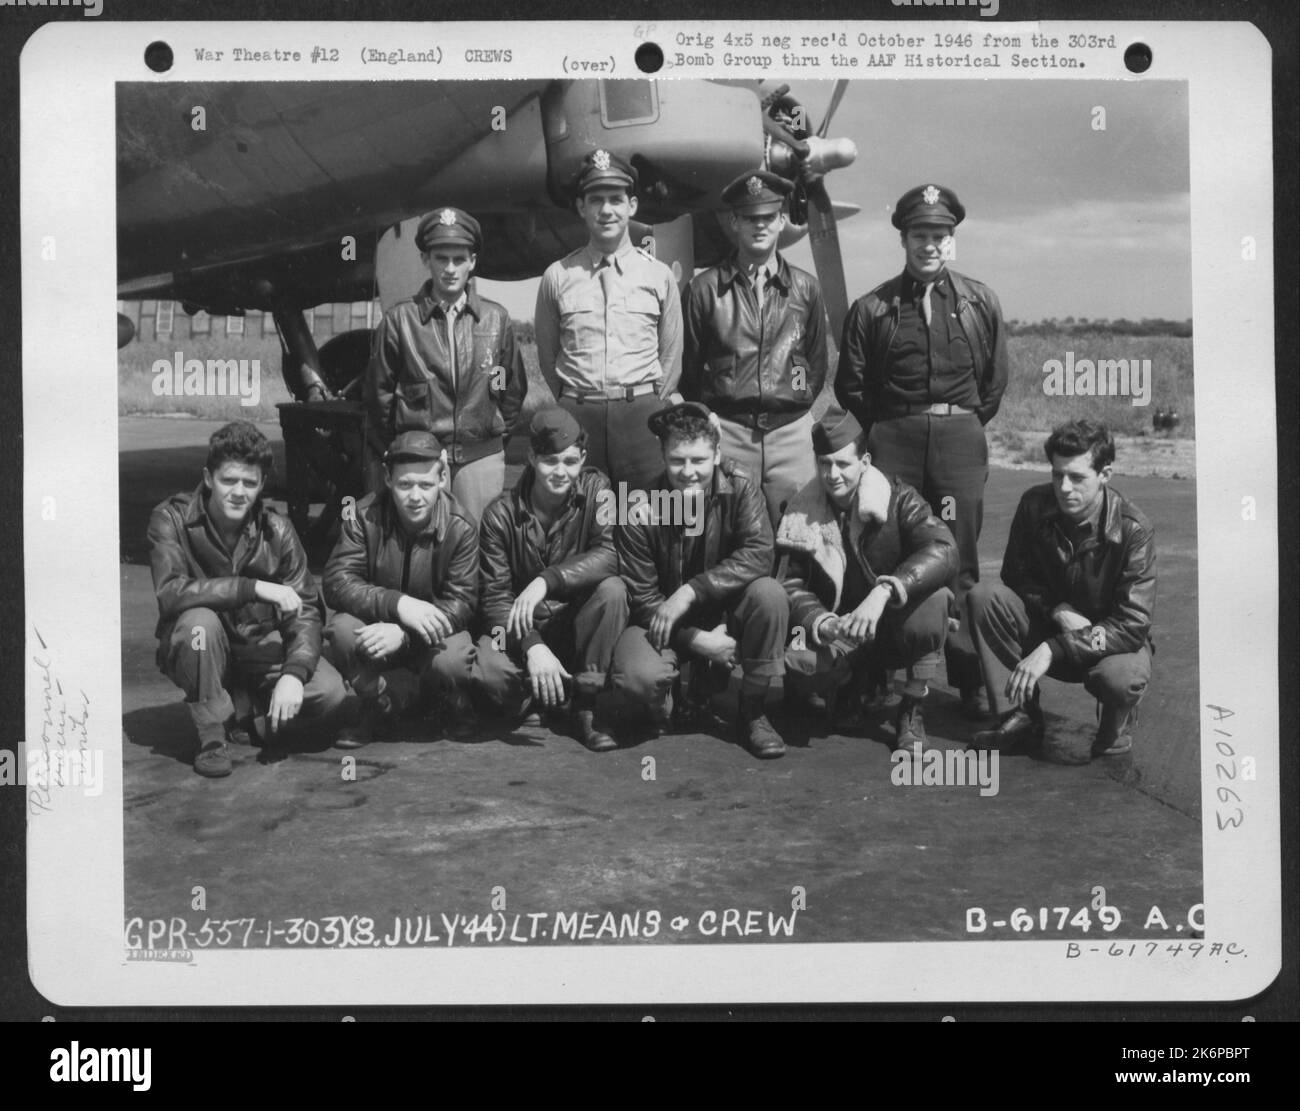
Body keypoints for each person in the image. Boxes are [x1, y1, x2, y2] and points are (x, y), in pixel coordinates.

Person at [834, 184, 1008, 713]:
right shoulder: (872, 307)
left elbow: (994, 382)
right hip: (895, 438)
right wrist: (888, 430)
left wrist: (959, 426)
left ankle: (971, 678)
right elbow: (852, 385)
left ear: (951, 240)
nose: (930, 245)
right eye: (920, 235)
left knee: (959, 557)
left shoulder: (980, 301)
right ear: (904, 239)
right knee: (887, 550)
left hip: (959, 437)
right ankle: (887, 672)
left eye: (939, 236)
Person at [147, 420, 347, 777]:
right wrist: (251, 587)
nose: (239, 492)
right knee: (199, 625)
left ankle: (248, 720)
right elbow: (171, 592)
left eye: (250, 483)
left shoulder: (278, 529)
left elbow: (306, 610)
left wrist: (295, 673)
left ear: (262, 485)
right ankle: (211, 738)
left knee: (329, 692)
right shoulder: (170, 519)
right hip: (204, 647)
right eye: (229, 480)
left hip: (258, 647)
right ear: (208, 478)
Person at [966, 420, 1156, 759]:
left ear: (1105, 474)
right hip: (1051, 623)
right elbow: (1017, 576)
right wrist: (1057, 609)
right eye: (1057, 475)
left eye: (1078, 477)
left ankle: (1116, 721)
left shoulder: (1133, 530)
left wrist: (1054, 648)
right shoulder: (1034, 505)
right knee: (984, 597)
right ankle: (1018, 713)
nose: (1064, 487)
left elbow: (1132, 625)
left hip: (1108, 645)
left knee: (1121, 678)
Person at [611, 402, 790, 759]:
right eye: (678, 460)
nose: (688, 472)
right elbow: (643, 599)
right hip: (663, 623)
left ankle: (753, 710)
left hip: (724, 613)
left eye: (699, 460)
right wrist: (697, 640)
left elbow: (759, 552)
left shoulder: (740, 486)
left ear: (717, 454)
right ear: (663, 456)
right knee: (637, 679)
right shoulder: (640, 506)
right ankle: (669, 698)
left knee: (769, 594)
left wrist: (693, 590)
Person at [776, 408, 958, 752]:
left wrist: (886, 590)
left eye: (843, 464)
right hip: (842, 630)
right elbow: (790, 584)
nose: (833, 475)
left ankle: (912, 704)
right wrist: (822, 622)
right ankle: (854, 682)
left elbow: (945, 548)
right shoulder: (801, 509)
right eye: (824, 464)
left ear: (865, 461)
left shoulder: (899, 498)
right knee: (798, 666)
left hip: (892, 624)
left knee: (934, 601)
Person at [473, 409, 628, 751]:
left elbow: (610, 554)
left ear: (583, 458)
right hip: (518, 628)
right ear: (530, 457)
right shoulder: (500, 515)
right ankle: (538, 696)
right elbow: (495, 600)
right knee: (488, 671)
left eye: (571, 461)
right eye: (550, 461)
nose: (561, 472)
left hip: (575, 622)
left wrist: (547, 580)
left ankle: (586, 704)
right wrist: (532, 645)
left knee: (613, 591)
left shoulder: (598, 489)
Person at [681, 169, 828, 524]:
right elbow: (688, 370)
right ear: (734, 222)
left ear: (781, 222)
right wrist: (711, 417)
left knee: (795, 532)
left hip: (789, 433)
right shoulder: (705, 289)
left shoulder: (806, 289)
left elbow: (812, 363)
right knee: (726, 530)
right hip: (729, 431)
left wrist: (796, 403)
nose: (759, 226)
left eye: (768, 218)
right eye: (750, 218)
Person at [534, 148, 683, 491]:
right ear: (580, 207)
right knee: (580, 518)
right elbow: (546, 353)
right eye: (596, 199)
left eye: (616, 199)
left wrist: (651, 402)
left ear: (631, 206)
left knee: (647, 517)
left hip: (642, 415)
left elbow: (671, 357)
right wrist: (574, 398)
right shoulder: (557, 276)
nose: (606, 210)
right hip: (579, 413)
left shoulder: (658, 276)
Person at [365, 205, 524, 522]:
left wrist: (489, 435)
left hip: (480, 458)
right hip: (420, 457)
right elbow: (379, 396)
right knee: (423, 552)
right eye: (441, 258)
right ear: (426, 260)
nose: (450, 268)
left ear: (472, 262)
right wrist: (405, 448)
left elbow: (507, 386)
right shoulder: (399, 321)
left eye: (459, 259)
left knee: (476, 547)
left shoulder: (496, 319)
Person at [322, 431, 479, 747]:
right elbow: (337, 582)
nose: (416, 496)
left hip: (432, 635)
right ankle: (374, 703)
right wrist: (398, 604)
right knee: (340, 630)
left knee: (454, 661)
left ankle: (445, 699)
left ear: (443, 479)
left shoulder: (461, 526)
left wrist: (405, 635)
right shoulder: (361, 517)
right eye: (405, 484)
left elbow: (462, 603)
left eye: (426, 485)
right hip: (378, 626)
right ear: (388, 479)